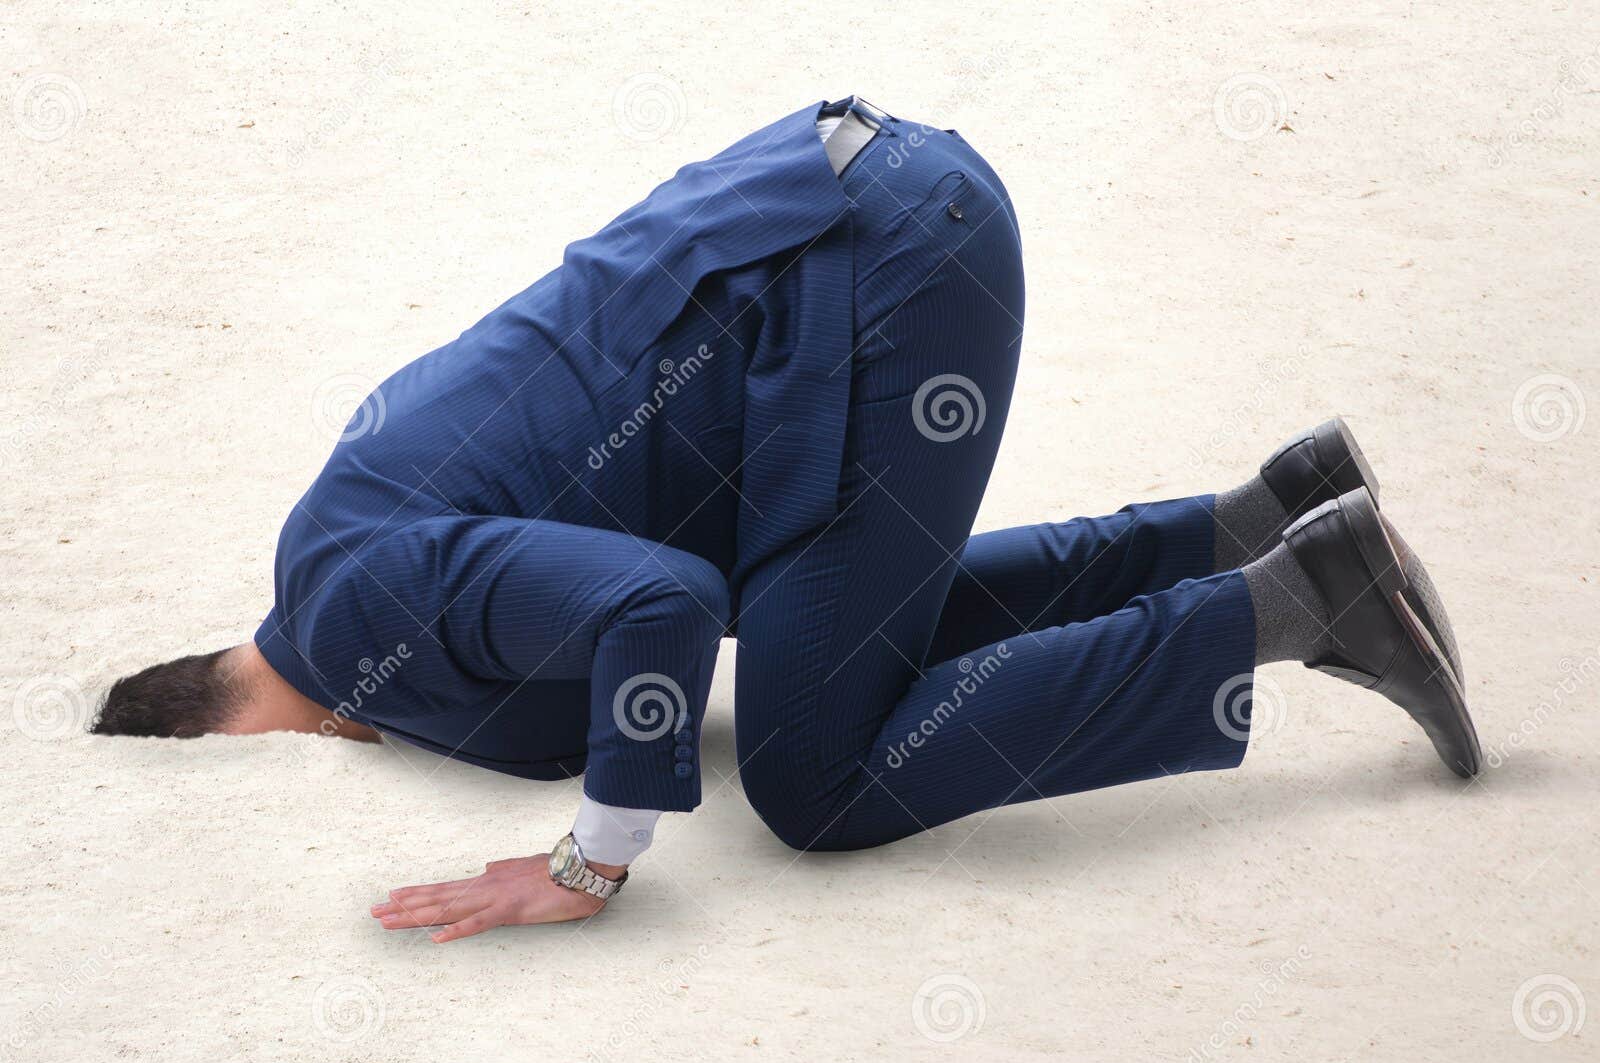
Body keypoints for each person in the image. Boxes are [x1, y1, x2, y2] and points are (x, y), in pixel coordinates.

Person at [90, 98, 1480, 942]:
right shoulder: (331, 547)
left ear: (243, 736)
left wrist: (593, 859)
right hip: (846, 216)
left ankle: (1304, 603)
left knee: (815, 775)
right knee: (821, 644)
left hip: (874, 264)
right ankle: (1255, 524)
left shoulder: (358, 620)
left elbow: (663, 607)